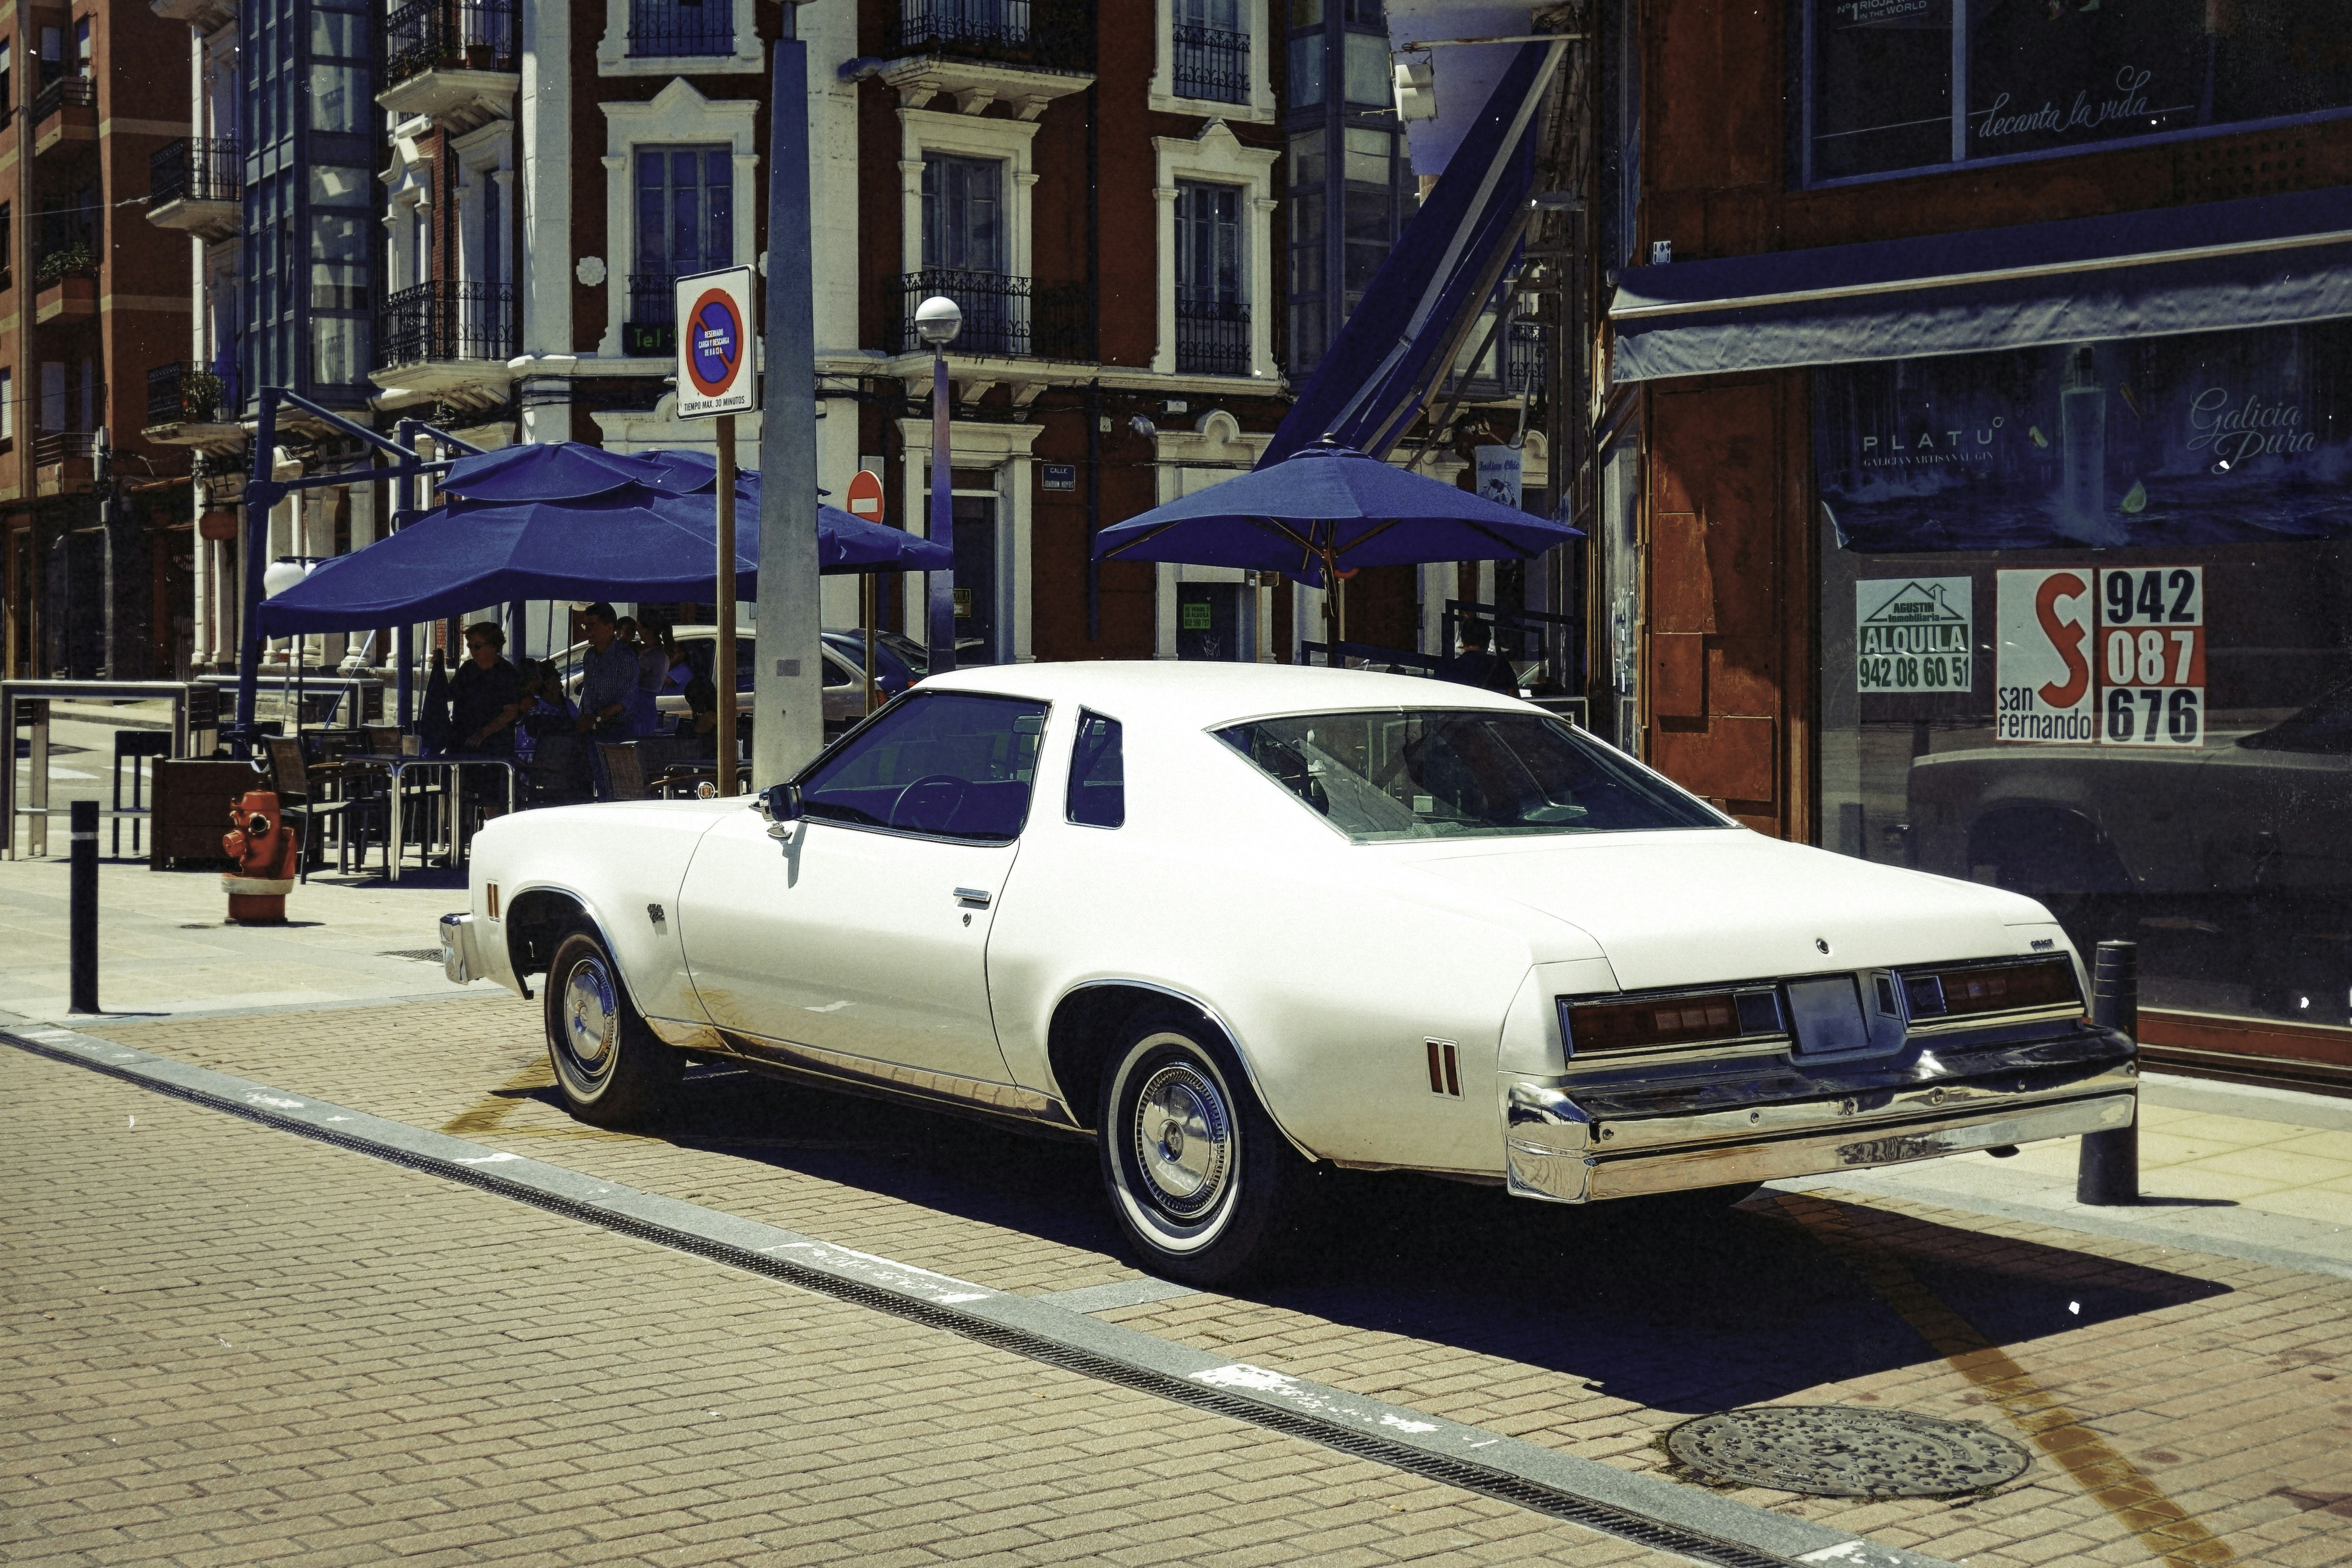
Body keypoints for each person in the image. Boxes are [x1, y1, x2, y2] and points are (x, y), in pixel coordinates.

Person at [448, 622, 523, 756]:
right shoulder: (467, 668)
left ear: (494, 646)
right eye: (470, 646)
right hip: (462, 743)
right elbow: (448, 695)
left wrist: (482, 734)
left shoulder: (506, 673)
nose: (473, 650)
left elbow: (510, 712)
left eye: (478, 646)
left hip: (494, 747)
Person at [574, 602, 639, 740]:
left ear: (609, 627)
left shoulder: (625, 656)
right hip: (592, 730)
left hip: (618, 729)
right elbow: (588, 691)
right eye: (585, 626)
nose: (587, 631)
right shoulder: (589, 655)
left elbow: (627, 698)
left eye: (592, 626)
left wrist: (596, 718)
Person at [1448, 620, 1521, 695]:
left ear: (1463, 641)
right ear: (1488, 641)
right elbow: (1514, 696)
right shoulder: (1502, 666)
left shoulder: (1450, 668)